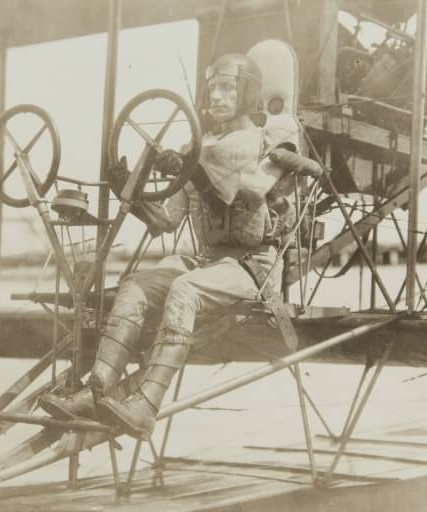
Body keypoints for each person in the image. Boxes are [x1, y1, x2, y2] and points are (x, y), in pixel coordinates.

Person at [39, 53, 313, 439]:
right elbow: (167, 220)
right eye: (212, 88)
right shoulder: (199, 146)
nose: (215, 97)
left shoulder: (269, 140)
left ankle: (146, 405)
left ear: (247, 92)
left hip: (253, 267)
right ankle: (95, 388)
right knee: (136, 283)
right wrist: (128, 191)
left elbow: (248, 195)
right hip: (208, 262)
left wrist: (192, 170)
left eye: (226, 88)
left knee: (184, 290)